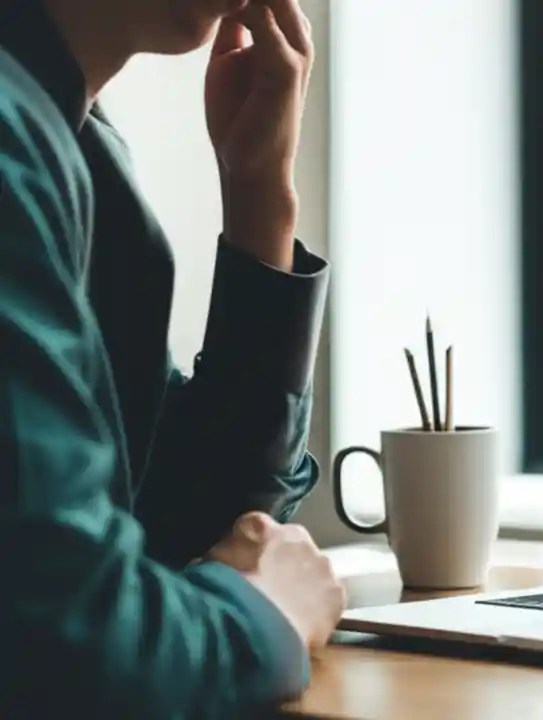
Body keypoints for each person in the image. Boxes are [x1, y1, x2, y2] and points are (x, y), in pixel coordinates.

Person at [0, 0, 345, 715]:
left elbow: (176, 529)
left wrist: (261, 198)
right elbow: (73, 640)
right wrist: (263, 617)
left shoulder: (82, 153)